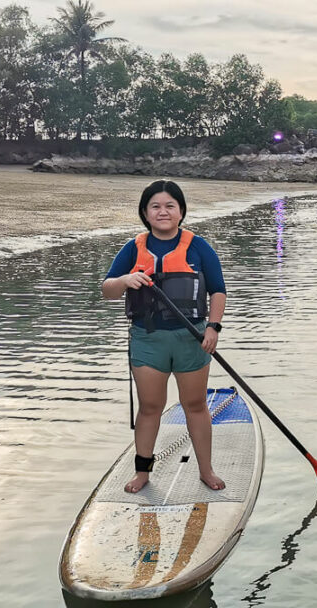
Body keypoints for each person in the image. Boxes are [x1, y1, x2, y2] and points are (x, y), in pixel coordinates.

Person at [102, 180, 227, 493]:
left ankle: (206, 470)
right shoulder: (133, 248)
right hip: (148, 339)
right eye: (155, 206)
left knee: (195, 404)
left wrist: (213, 327)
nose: (163, 212)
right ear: (145, 213)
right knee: (150, 406)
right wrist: (125, 279)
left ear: (181, 211)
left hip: (191, 338)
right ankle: (142, 473)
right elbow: (107, 290)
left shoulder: (199, 247)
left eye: (170, 206)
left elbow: (218, 290)